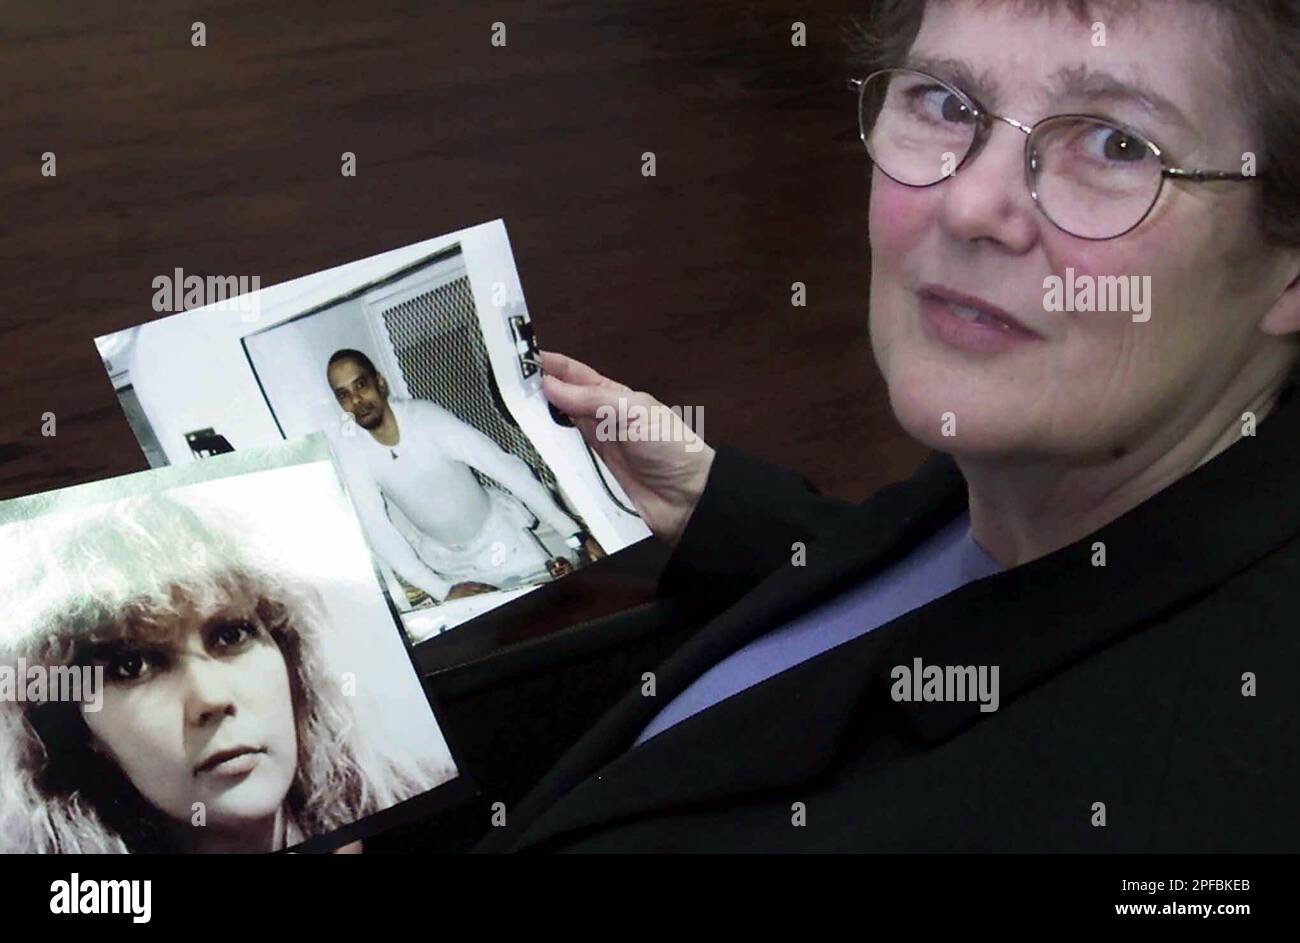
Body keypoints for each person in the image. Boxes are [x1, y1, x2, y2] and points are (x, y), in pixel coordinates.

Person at [476, 0, 1300, 852]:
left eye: (1115, 144)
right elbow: (977, 608)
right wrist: (721, 509)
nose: (970, 204)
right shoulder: (1063, 481)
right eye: (946, 103)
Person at [0, 493, 447, 853]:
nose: (210, 698)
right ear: (79, 727)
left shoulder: (430, 810)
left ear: (291, 661)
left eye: (230, 635)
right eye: (131, 666)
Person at [325, 349, 599, 605]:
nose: (356, 400)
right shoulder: (353, 449)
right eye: (344, 394)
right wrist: (441, 590)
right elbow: (375, 528)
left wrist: (575, 535)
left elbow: (506, 470)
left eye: (360, 385)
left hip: (505, 544)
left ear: (380, 383)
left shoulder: (426, 419)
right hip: (448, 567)